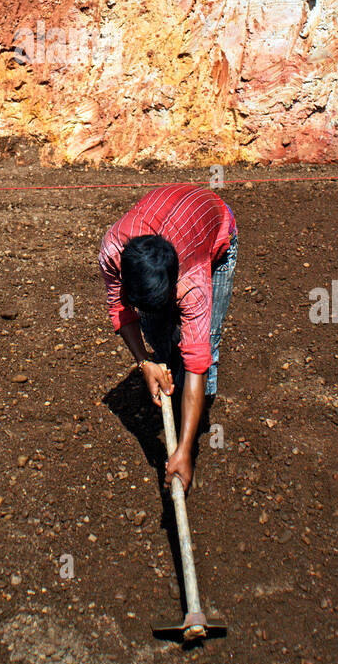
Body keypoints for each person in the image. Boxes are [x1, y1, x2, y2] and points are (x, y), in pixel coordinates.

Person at [99, 183, 238, 493]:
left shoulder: (193, 285)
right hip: (173, 215)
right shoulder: (113, 251)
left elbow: (197, 361)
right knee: (159, 333)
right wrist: (144, 362)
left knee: (205, 341)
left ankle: (197, 417)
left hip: (215, 232)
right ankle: (168, 380)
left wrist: (185, 451)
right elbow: (119, 309)